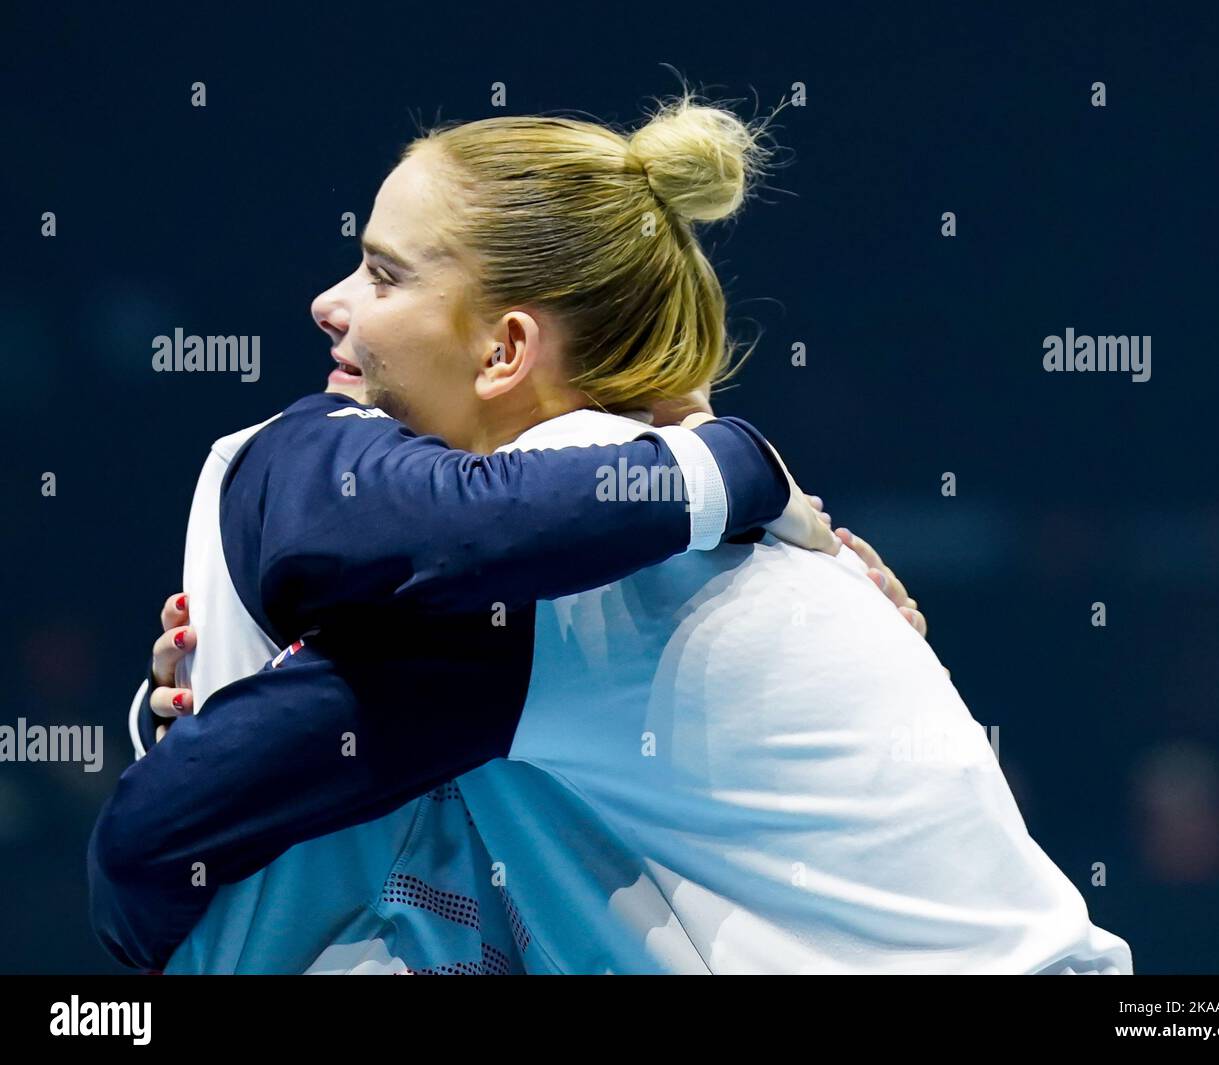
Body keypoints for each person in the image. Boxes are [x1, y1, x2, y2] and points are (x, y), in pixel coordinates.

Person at [93, 96, 1130, 974]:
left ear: (504, 350)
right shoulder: (605, 523)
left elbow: (155, 842)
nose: (329, 303)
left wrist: (727, 468)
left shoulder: (571, 557)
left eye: (384, 273)